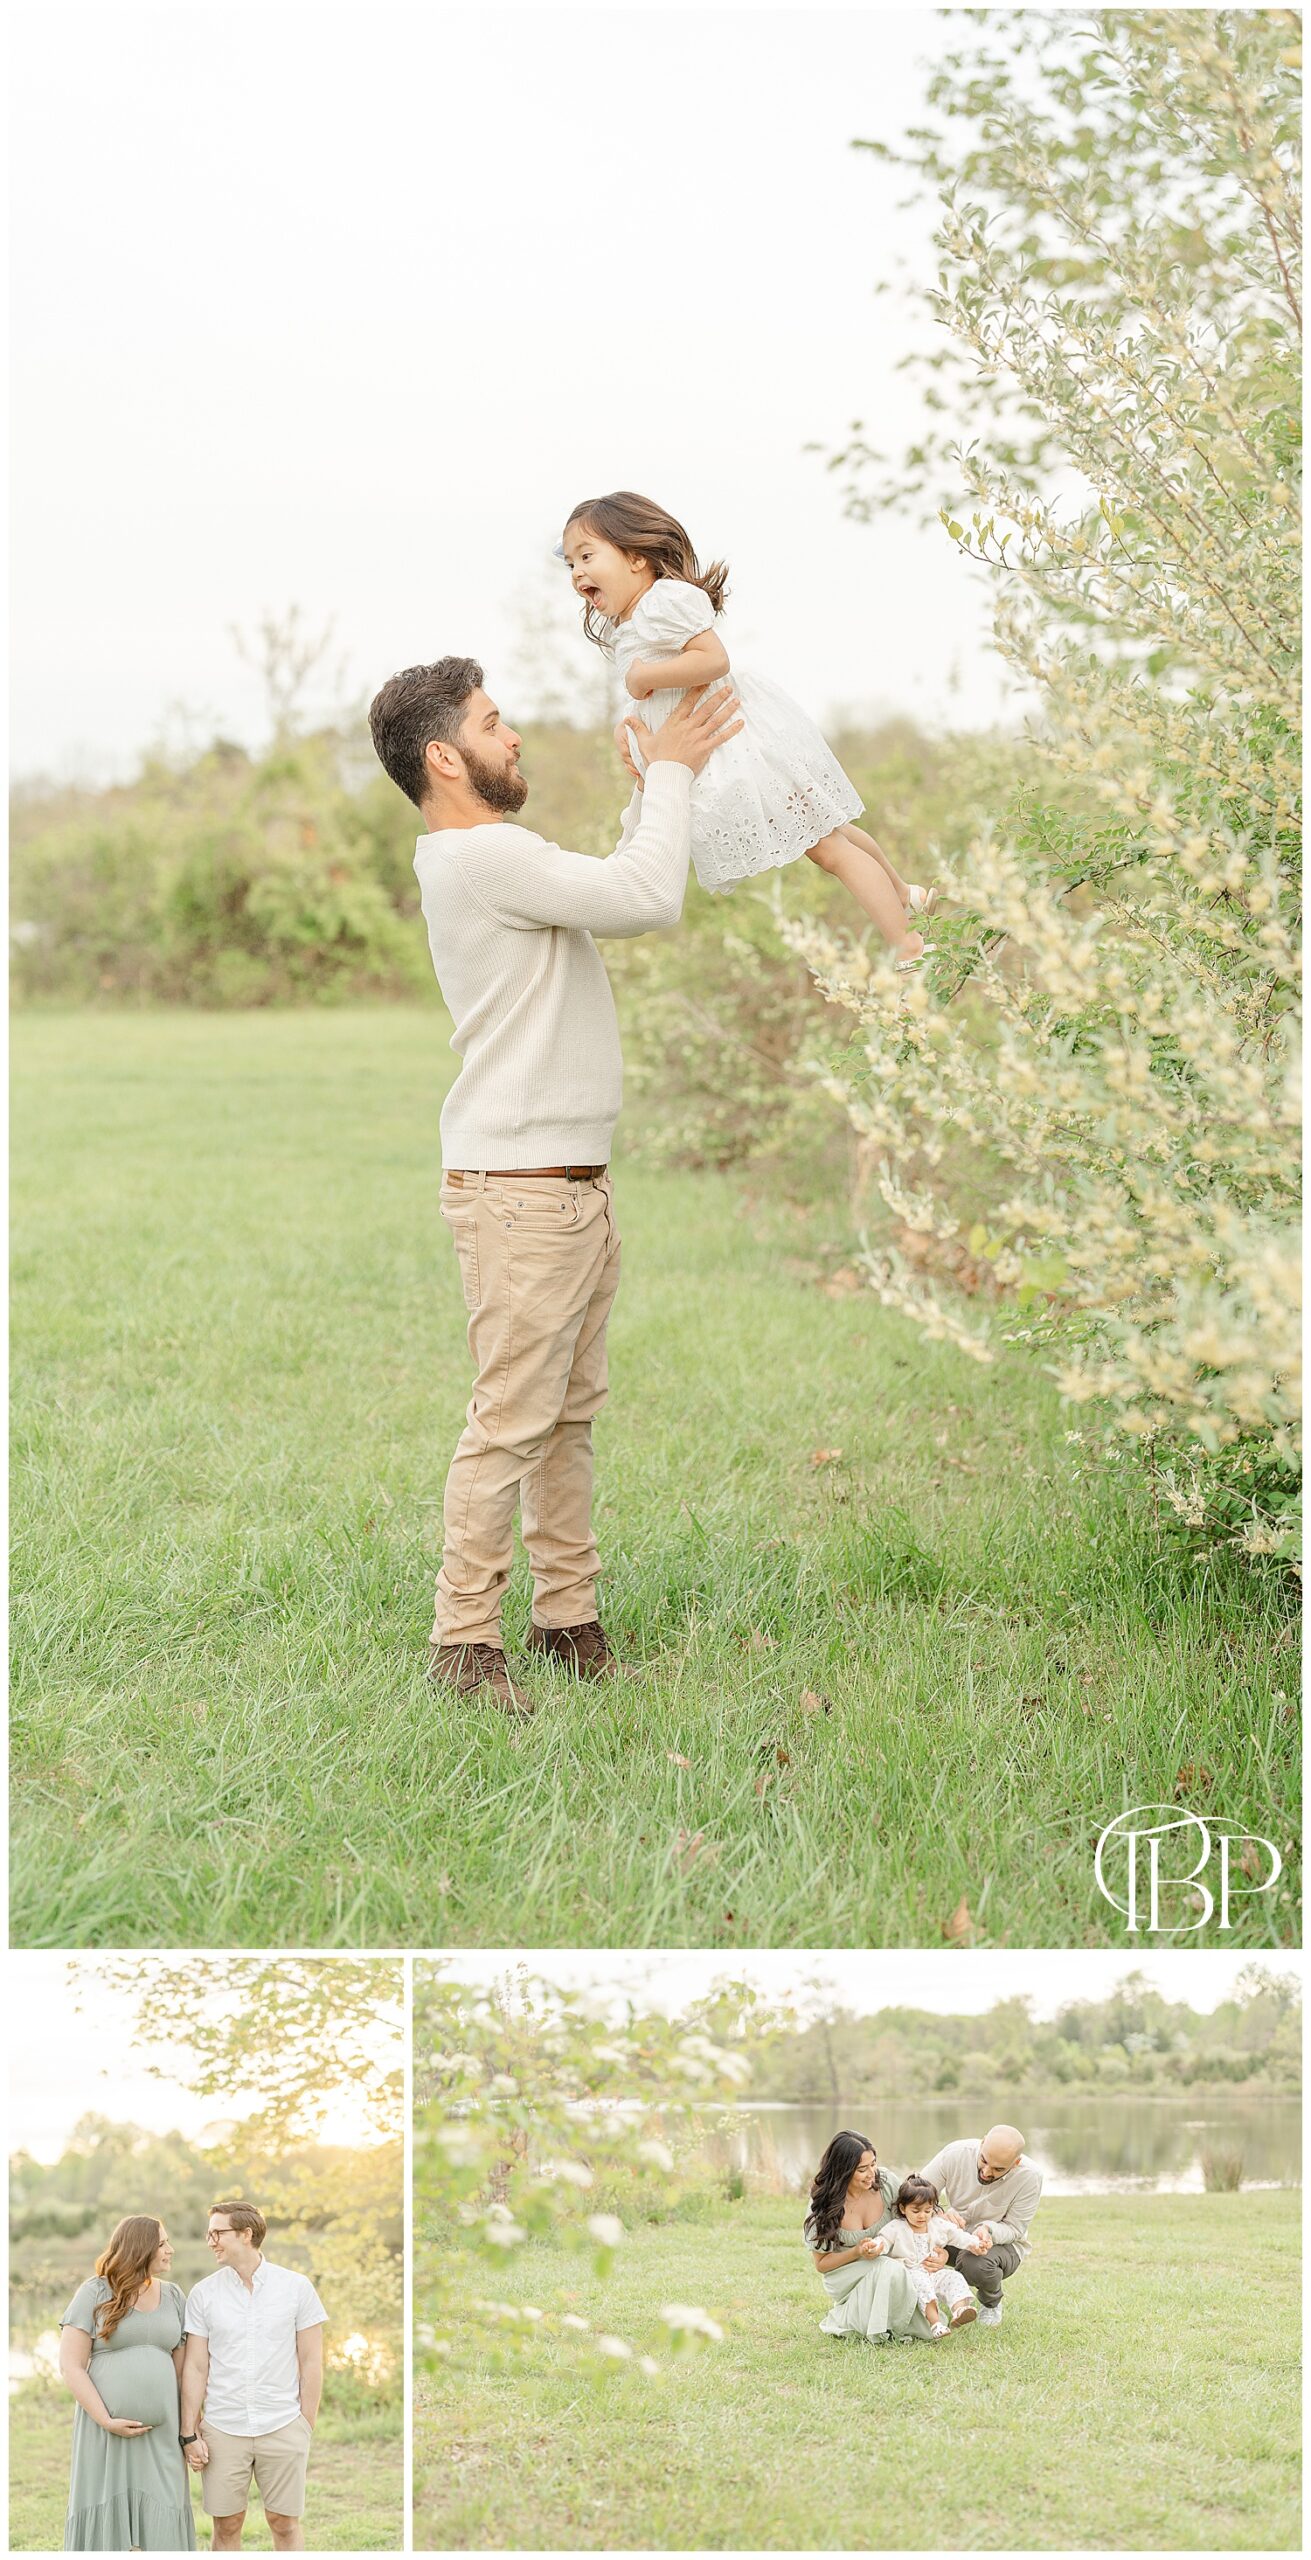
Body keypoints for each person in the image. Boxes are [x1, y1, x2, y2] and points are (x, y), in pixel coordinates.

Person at [368, 656, 742, 1711]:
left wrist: (646, 783)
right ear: (447, 756)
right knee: (512, 1421)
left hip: (567, 1183)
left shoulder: (497, 858)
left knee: (565, 1419)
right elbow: (644, 896)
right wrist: (669, 770)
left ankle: (566, 1621)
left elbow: (618, 875)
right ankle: (463, 1643)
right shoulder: (481, 856)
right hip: (524, 1187)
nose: (514, 734)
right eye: (495, 722)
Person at [560, 490, 935, 963]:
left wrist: (644, 677)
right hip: (719, 745)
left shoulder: (663, 601)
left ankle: (907, 944)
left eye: (587, 556)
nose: (576, 572)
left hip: (737, 743)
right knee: (824, 830)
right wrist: (629, 724)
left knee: (825, 847)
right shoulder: (629, 622)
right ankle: (904, 894)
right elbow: (656, 690)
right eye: (570, 563)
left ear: (636, 557)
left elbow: (713, 660)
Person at [179, 2201, 326, 2555]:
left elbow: (311, 2361)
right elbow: (196, 2367)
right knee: (226, 2527)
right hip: (223, 2429)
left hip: (283, 2425)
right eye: (208, 2233)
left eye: (218, 2233)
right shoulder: (203, 2294)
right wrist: (189, 2432)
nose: (210, 2240)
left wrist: (304, 2423)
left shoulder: (296, 2287)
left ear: (246, 2234)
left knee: (284, 2524)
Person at [58, 2212, 196, 2551]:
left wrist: (190, 2425)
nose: (171, 2250)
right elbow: (71, 2365)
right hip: (104, 2430)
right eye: (163, 2243)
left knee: (164, 2508)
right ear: (141, 2248)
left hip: (163, 2433)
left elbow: (182, 2370)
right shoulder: (94, 2292)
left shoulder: (175, 2295)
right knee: (107, 2508)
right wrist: (105, 2419)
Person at [803, 2131, 939, 2346]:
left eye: (873, 2164)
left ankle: (882, 2316)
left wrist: (943, 2253)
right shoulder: (823, 2203)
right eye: (862, 2169)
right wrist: (856, 2252)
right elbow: (822, 2264)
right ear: (843, 2170)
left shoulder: (885, 2183)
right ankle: (858, 2318)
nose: (871, 2174)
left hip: (895, 2265)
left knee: (895, 2270)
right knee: (889, 2267)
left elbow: (920, 2216)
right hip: (845, 2274)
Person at [917, 2123, 1043, 2326]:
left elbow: (1015, 2228)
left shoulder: (1030, 2177)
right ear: (982, 2142)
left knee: (975, 2264)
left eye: (998, 2169)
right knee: (910, 2240)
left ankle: (991, 2302)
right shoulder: (955, 2153)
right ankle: (929, 2299)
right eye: (983, 2160)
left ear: (1016, 2162)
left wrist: (988, 2230)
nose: (986, 2172)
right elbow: (916, 2191)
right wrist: (938, 2213)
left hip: (998, 2245)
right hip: (952, 2234)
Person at [881, 2173, 979, 2336]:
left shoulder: (937, 2224)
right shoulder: (896, 2227)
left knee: (954, 2277)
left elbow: (957, 2235)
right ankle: (936, 2324)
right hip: (910, 2274)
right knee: (923, 2286)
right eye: (916, 2210)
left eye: (927, 2210)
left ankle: (959, 2310)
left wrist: (975, 2244)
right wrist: (876, 2246)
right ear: (903, 2208)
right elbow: (883, 2240)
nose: (922, 2216)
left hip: (932, 2272)